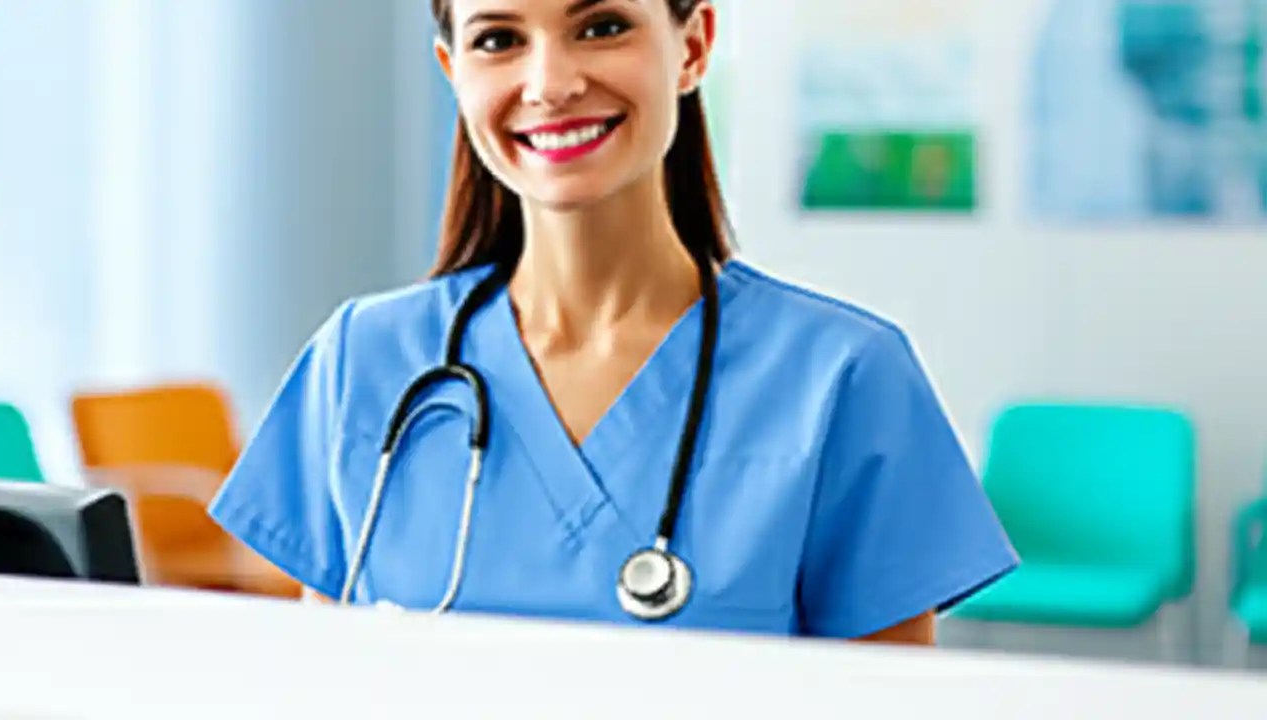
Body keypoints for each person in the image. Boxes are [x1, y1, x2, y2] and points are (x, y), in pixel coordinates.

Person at [208, 0, 1018, 644]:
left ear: (694, 45)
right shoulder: (364, 360)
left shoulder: (843, 376)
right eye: (499, 39)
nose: (550, 83)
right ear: (453, 71)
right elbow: (318, 685)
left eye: (600, 27)